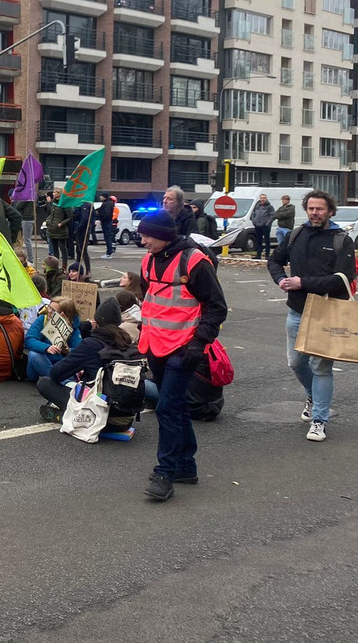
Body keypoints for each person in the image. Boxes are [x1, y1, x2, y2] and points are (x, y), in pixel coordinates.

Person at [121, 210, 227, 501]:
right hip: (155, 345)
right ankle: (186, 466)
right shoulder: (149, 261)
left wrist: (199, 342)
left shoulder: (195, 261)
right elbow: (151, 299)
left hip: (185, 346)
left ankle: (165, 471)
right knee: (176, 406)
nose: (142, 241)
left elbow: (217, 307)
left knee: (167, 407)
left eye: (147, 236)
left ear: (164, 235)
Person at [266, 190, 356, 443]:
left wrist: (302, 282)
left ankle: (319, 420)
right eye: (311, 209)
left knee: (321, 366)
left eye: (320, 209)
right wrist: (281, 279)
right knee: (296, 363)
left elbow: (343, 279)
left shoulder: (341, 240)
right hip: (297, 309)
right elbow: (274, 260)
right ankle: (313, 396)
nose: (315, 213)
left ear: (330, 211)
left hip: (327, 311)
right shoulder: (296, 234)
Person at [36, 297, 140, 431]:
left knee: (45, 383)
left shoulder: (91, 344)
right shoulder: (127, 344)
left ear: (98, 320)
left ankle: (67, 417)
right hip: (126, 419)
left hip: (100, 416)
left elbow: (56, 373)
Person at [23, 296, 82, 382]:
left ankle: (58, 380)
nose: (49, 312)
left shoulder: (73, 327)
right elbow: (29, 340)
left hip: (60, 364)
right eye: (49, 308)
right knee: (34, 354)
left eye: (54, 311)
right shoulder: (43, 319)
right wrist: (47, 348)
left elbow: (79, 351)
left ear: (64, 314)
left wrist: (68, 351)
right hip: (42, 362)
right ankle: (62, 381)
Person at [249, 193, 275, 259]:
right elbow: (252, 214)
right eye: (261, 198)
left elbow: (272, 216)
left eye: (264, 198)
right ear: (260, 199)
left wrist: (267, 224)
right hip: (257, 226)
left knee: (267, 241)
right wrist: (254, 221)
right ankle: (258, 255)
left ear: (266, 199)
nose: (262, 199)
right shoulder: (257, 206)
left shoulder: (270, 207)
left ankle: (267, 255)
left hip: (265, 226)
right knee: (258, 241)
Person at [95, 194, 116, 259]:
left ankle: (109, 253)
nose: (100, 197)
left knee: (107, 237)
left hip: (106, 222)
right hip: (106, 222)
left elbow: (106, 213)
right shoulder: (107, 203)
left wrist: (102, 219)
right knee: (107, 237)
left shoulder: (108, 203)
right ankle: (109, 252)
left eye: (101, 196)